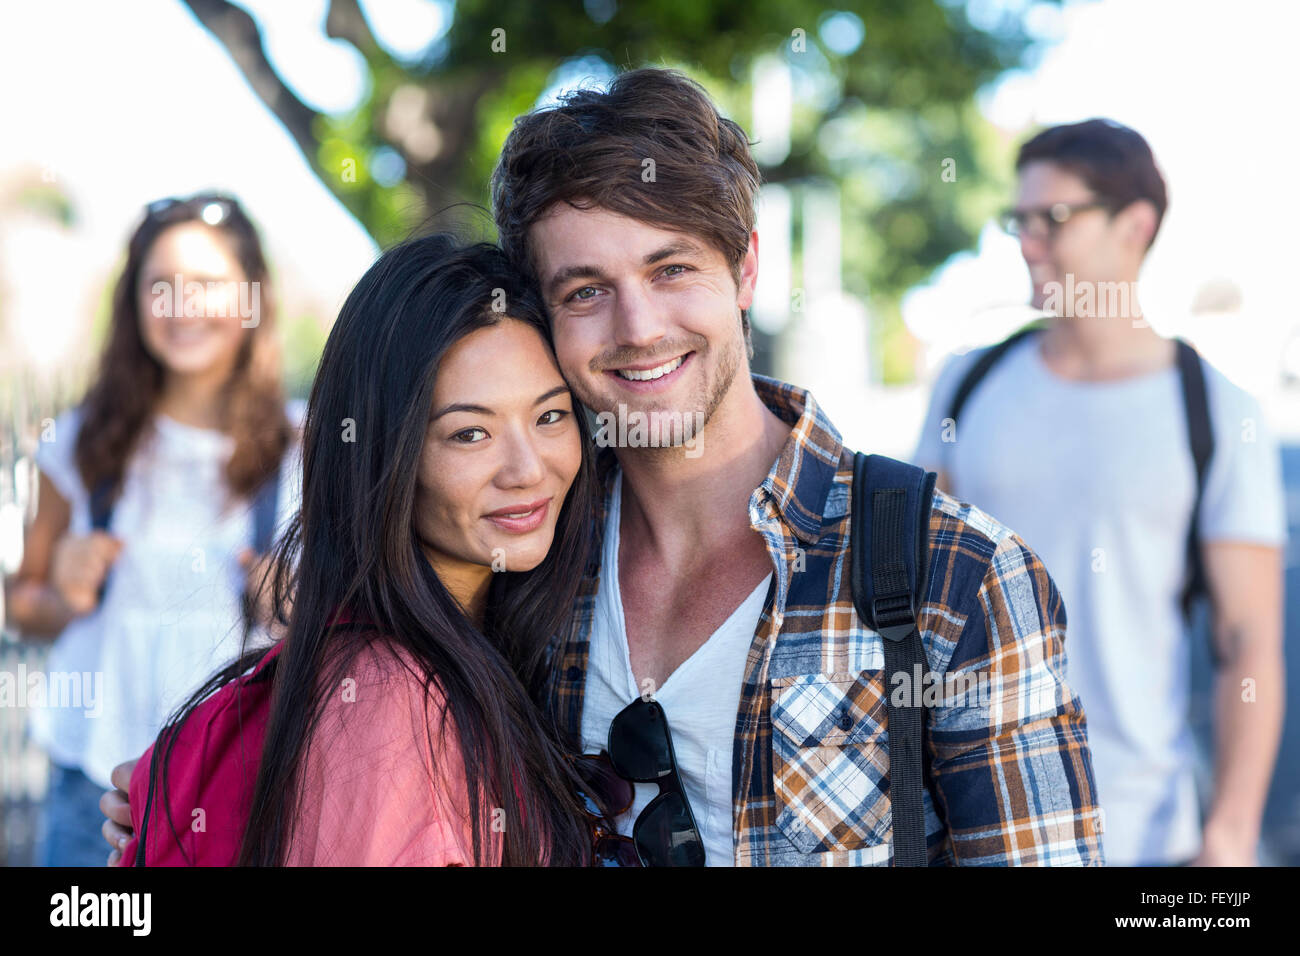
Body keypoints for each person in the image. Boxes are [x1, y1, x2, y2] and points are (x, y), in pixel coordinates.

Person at [106, 69, 1103, 867]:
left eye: (672, 269)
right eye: (586, 290)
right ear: (543, 309)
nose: (637, 328)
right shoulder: (525, 553)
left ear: (745, 266)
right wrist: (188, 800)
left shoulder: (951, 576)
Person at [121, 234, 618, 866]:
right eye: (470, 433)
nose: (528, 469)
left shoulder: (458, 652)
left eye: (550, 417)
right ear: (386, 456)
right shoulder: (391, 704)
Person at [912, 120, 1287, 866]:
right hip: (962, 819)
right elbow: (914, 591)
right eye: (1018, 219)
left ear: (1135, 226)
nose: (1026, 240)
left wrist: (1233, 836)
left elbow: (1248, 642)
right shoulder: (969, 383)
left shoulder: (1215, 410)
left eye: (1053, 218)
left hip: (1138, 830)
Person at [4, 193, 301, 866]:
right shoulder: (81, 443)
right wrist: (59, 589)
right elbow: (22, 609)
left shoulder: (305, 448)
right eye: (160, 286)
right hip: (90, 786)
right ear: (133, 303)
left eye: (206, 285)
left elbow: (354, 630)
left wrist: (295, 609)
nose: (182, 306)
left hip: (238, 793)